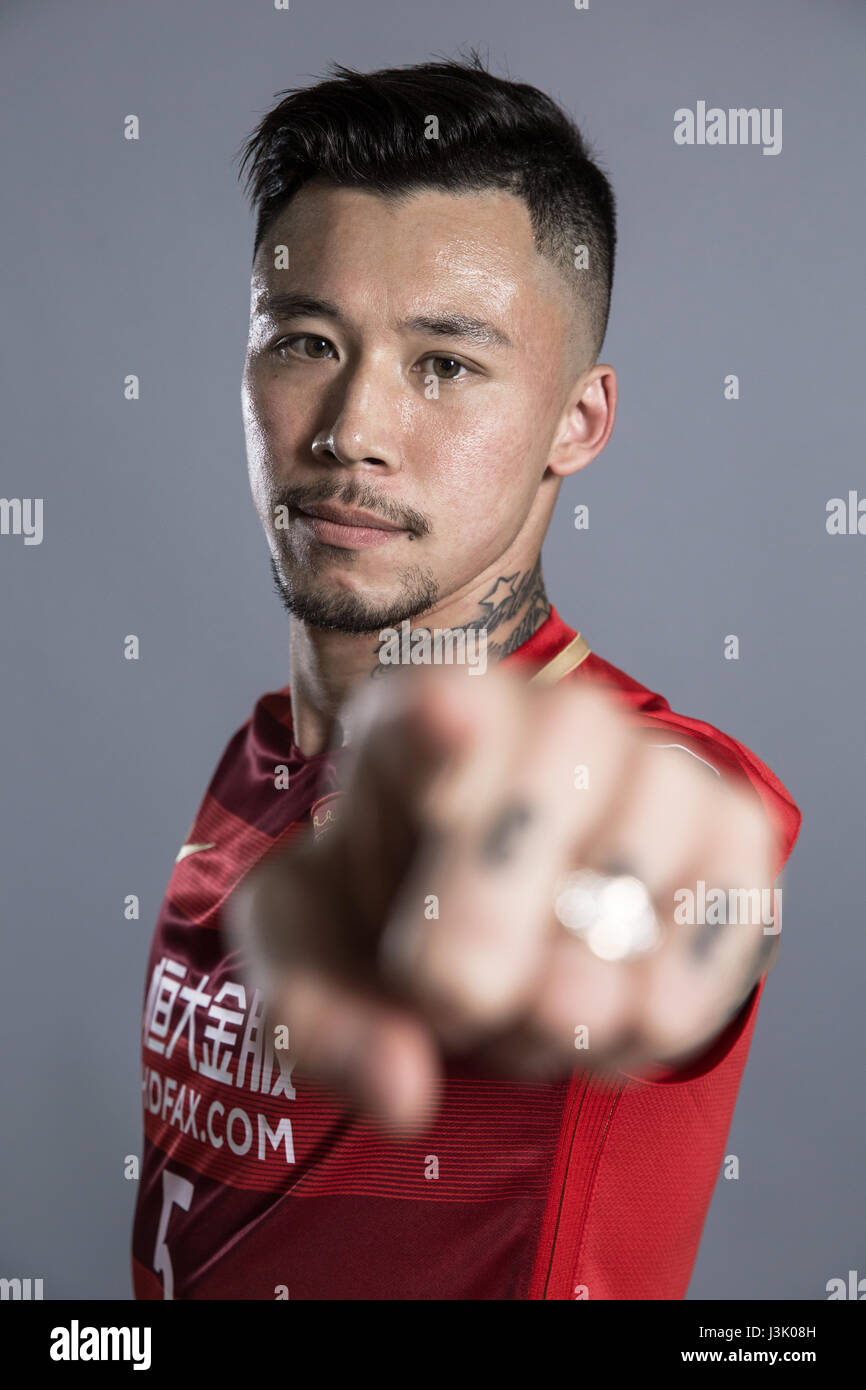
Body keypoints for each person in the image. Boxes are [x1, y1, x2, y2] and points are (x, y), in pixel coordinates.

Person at [131, 54, 801, 1301]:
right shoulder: (255, 758)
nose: (352, 428)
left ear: (577, 422)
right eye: (307, 341)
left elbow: (683, 856)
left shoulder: (634, 767)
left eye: (444, 363)